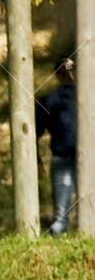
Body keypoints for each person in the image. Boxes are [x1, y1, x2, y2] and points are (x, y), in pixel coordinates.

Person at [36, 57, 77, 235]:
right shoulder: (88, 96)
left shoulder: (49, 100)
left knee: (61, 213)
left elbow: (35, 133)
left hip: (62, 158)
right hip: (77, 159)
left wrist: (38, 162)